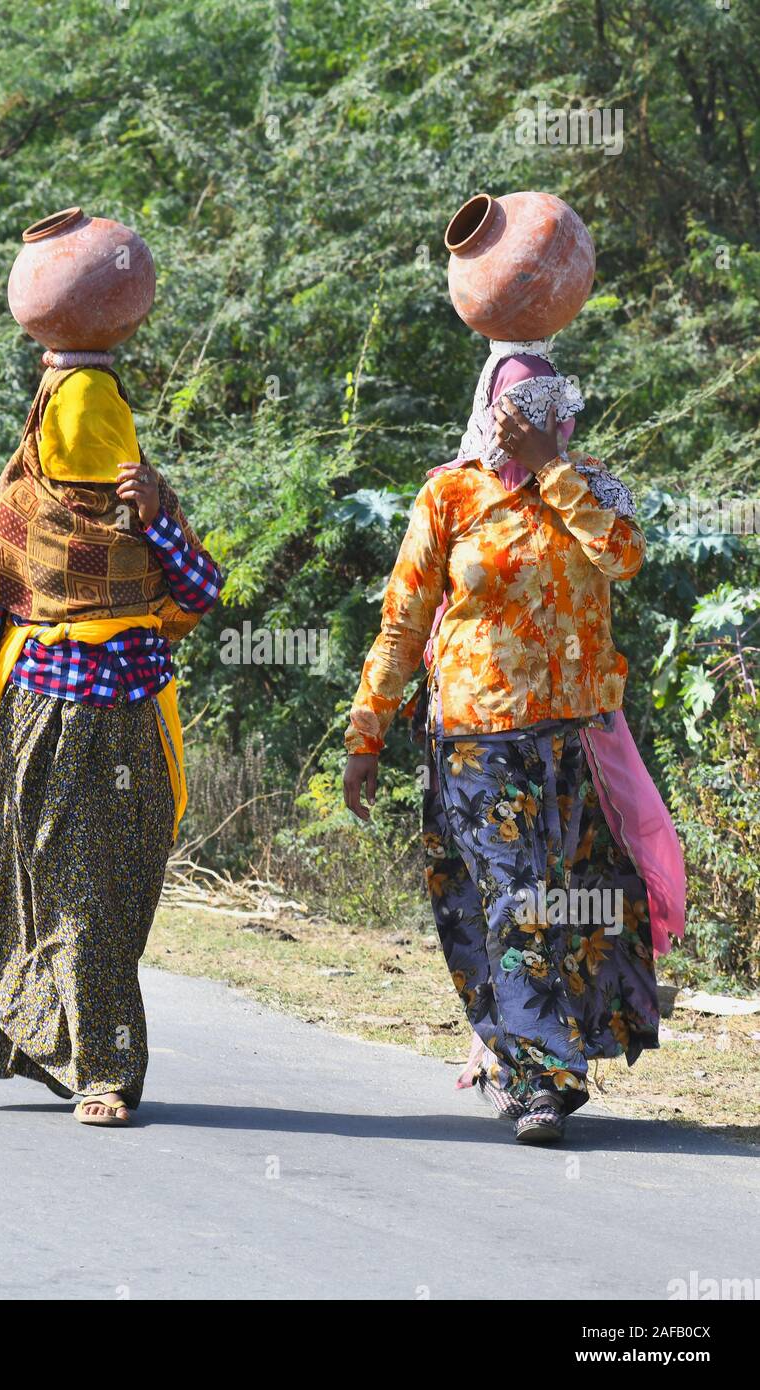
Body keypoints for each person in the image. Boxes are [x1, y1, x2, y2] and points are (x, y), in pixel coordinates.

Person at [343, 340, 681, 1144]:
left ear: (564, 412)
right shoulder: (450, 497)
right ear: (489, 412)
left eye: (545, 405)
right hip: (476, 739)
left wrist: (554, 472)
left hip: (576, 743)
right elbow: (402, 623)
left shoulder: (594, 486)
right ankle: (537, 1083)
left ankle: (540, 1060)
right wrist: (367, 730)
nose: (531, 419)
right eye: (515, 406)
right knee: (517, 902)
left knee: (573, 911)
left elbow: (625, 556)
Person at [0, 357, 222, 1127]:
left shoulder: (147, 501)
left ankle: (36, 1037)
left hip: (138, 730)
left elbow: (201, 592)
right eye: (75, 424)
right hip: (45, 731)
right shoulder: (18, 505)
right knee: (77, 901)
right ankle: (106, 1073)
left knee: (118, 904)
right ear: (46, 426)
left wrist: (156, 517)